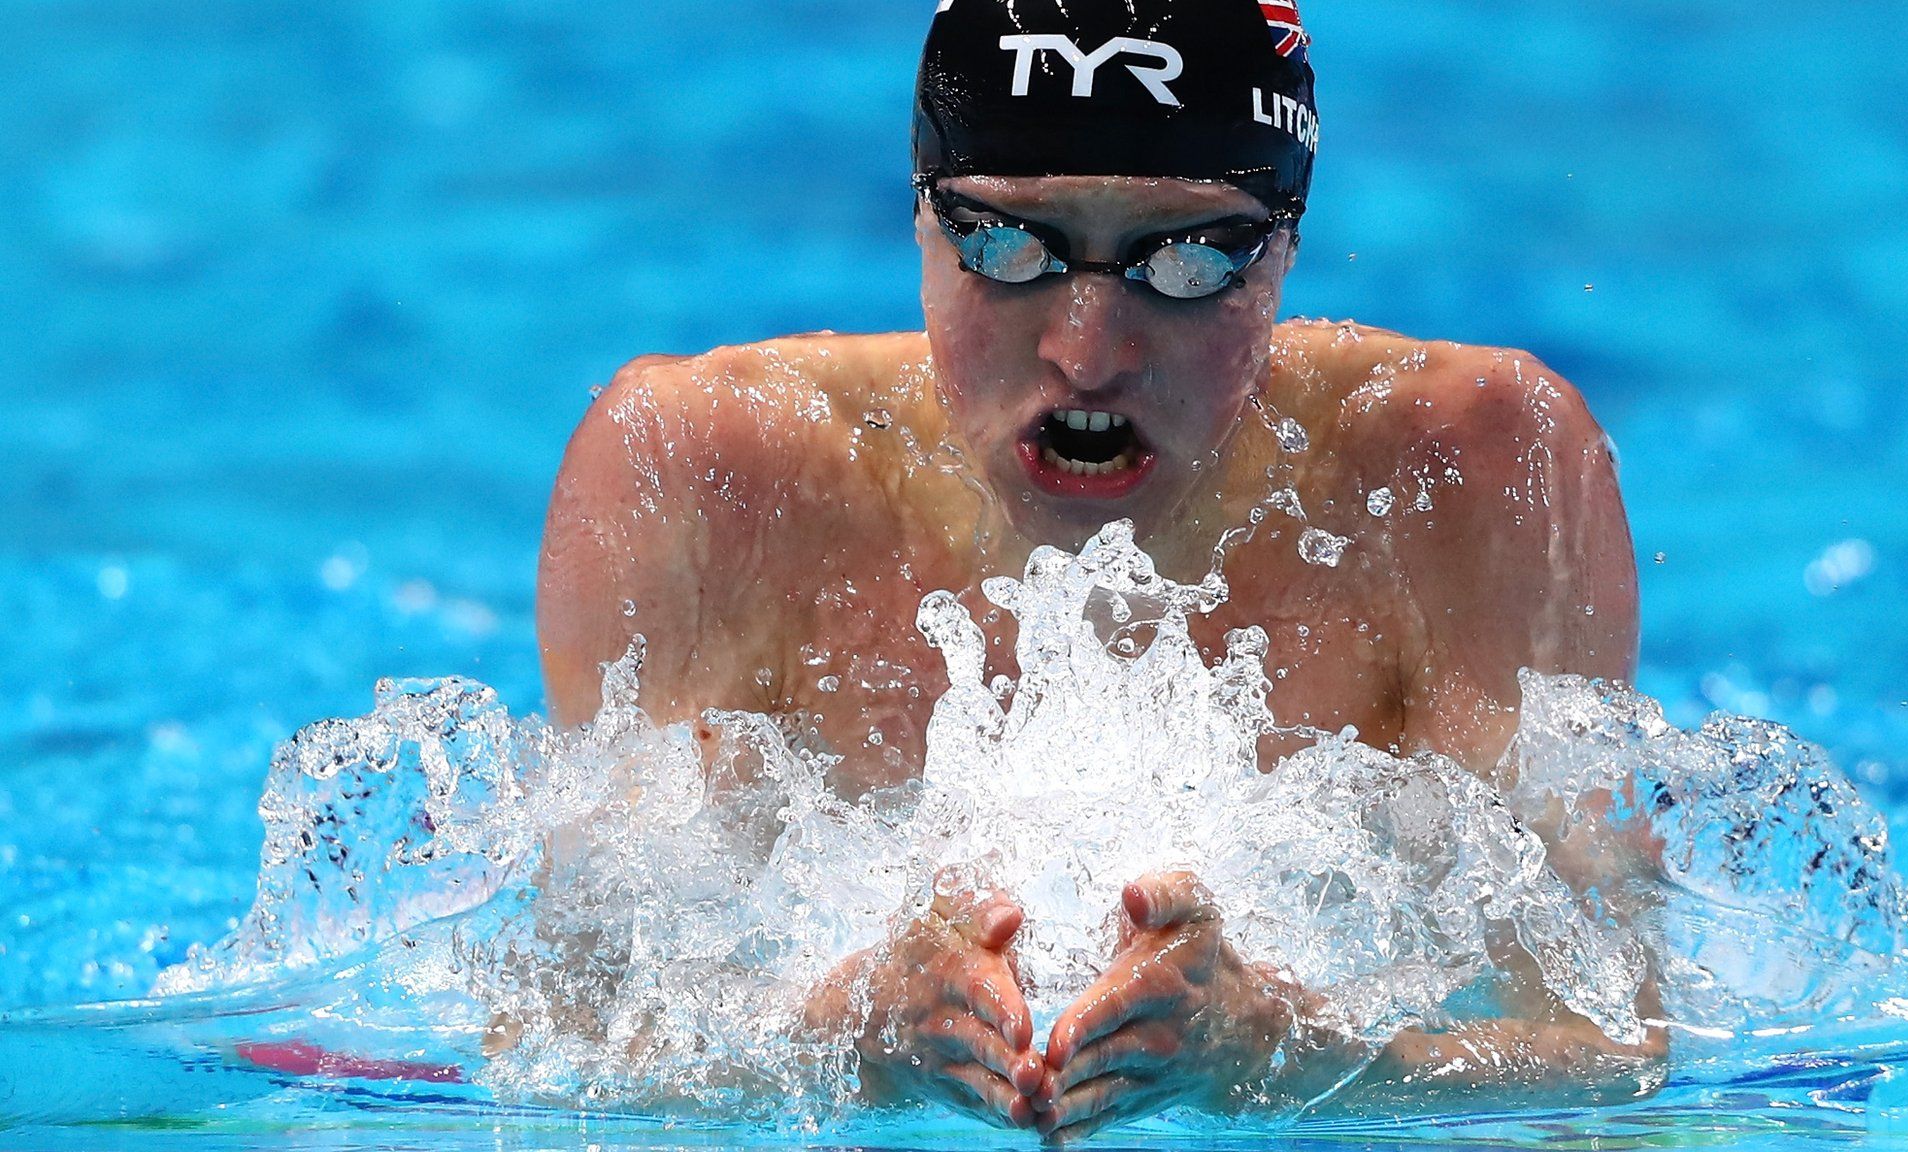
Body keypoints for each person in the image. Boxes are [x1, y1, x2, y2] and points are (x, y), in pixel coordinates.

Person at [533, 0, 1664, 1138]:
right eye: (1005, 247)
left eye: (1188, 259)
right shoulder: (707, 472)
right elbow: (561, 1045)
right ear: (919, 221)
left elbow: (1615, 1056)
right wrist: (843, 1033)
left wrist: (1294, 1054)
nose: (1086, 351)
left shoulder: (1465, 470)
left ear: (1284, 250)